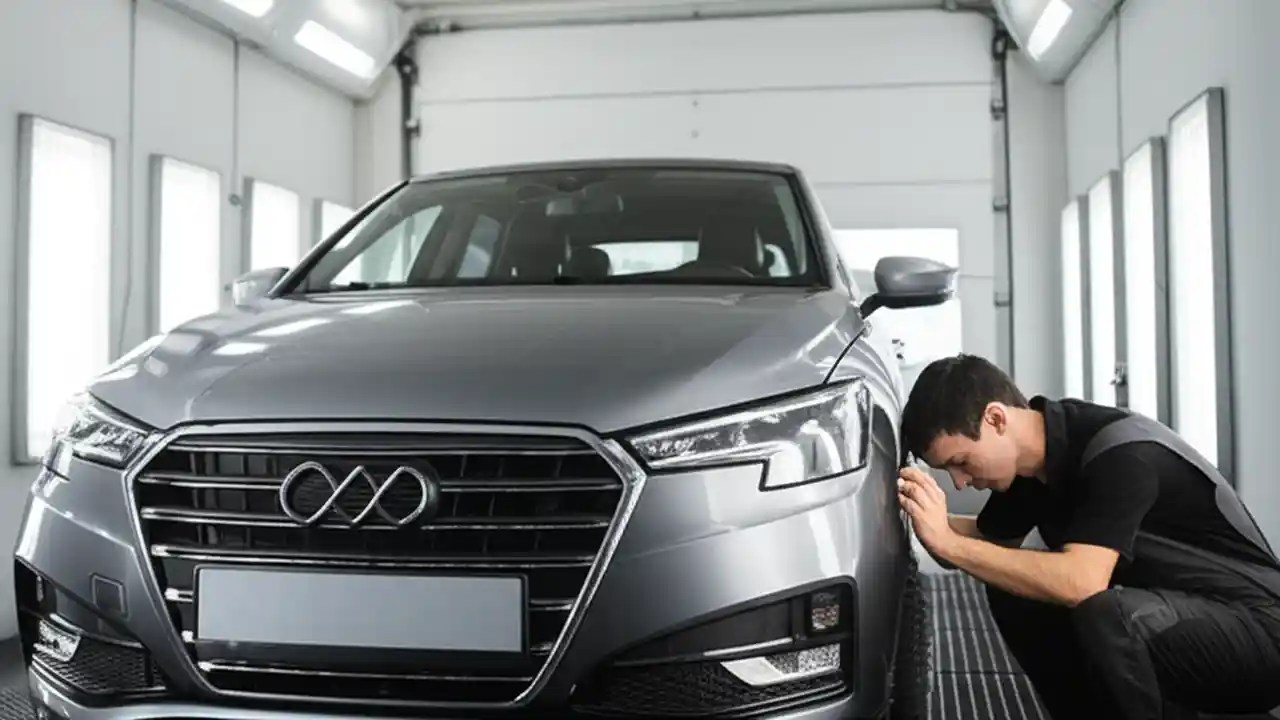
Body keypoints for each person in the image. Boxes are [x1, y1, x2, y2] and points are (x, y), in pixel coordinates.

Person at [895, 353, 1280, 720]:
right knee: (1013, 587)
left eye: (960, 463)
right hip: (1178, 618)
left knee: (1107, 612)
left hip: (1259, 634)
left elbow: (1081, 582)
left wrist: (948, 542)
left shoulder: (1122, 454)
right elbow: (984, 544)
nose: (960, 483)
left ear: (996, 419)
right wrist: (915, 514)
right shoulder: (1032, 465)